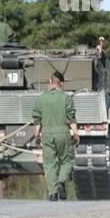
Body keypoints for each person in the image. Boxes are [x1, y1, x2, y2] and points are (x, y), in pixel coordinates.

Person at [32, 70, 79, 201]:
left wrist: (37, 135)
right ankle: (61, 181)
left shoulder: (41, 98)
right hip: (63, 133)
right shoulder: (66, 98)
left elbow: (37, 119)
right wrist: (76, 133)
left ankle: (52, 193)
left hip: (46, 134)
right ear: (62, 84)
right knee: (68, 160)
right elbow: (71, 118)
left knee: (49, 164)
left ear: (50, 81)